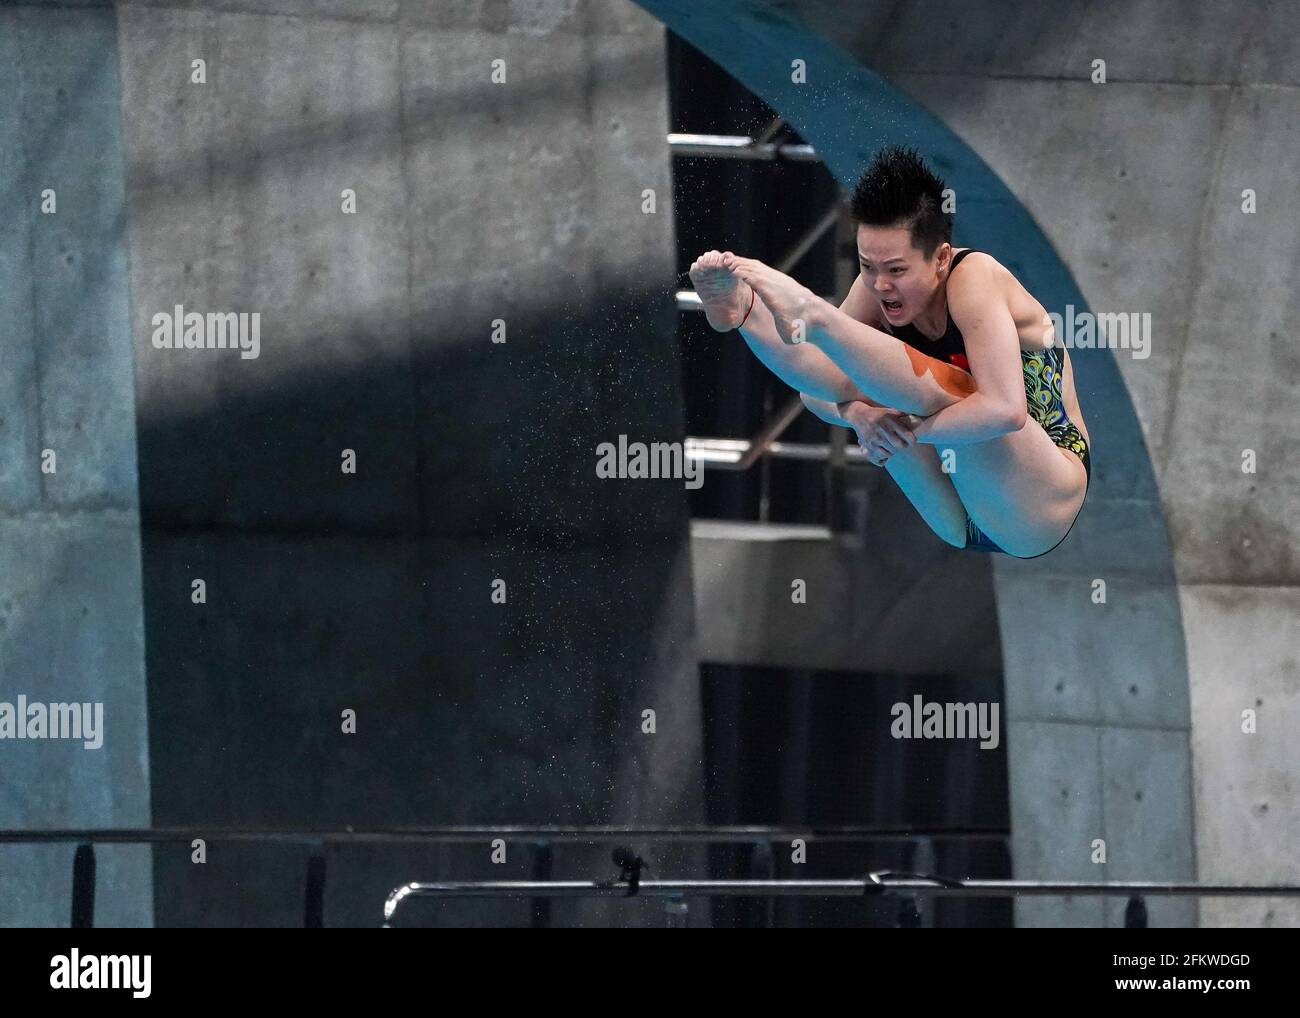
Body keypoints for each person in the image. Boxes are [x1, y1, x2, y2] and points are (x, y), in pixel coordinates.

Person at [688, 146, 1091, 558]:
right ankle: (745, 313)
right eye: (867, 266)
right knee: (861, 384)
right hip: (956, 515)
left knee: (954, 389)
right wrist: (863, 417)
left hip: (1041, 499)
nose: (880, 285)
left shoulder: (975, 280)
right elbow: (816, 393)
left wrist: (908, 429)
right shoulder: (876, 286)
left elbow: (1006, 411)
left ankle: (816, 317)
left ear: (941, 259)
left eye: (897, 270)